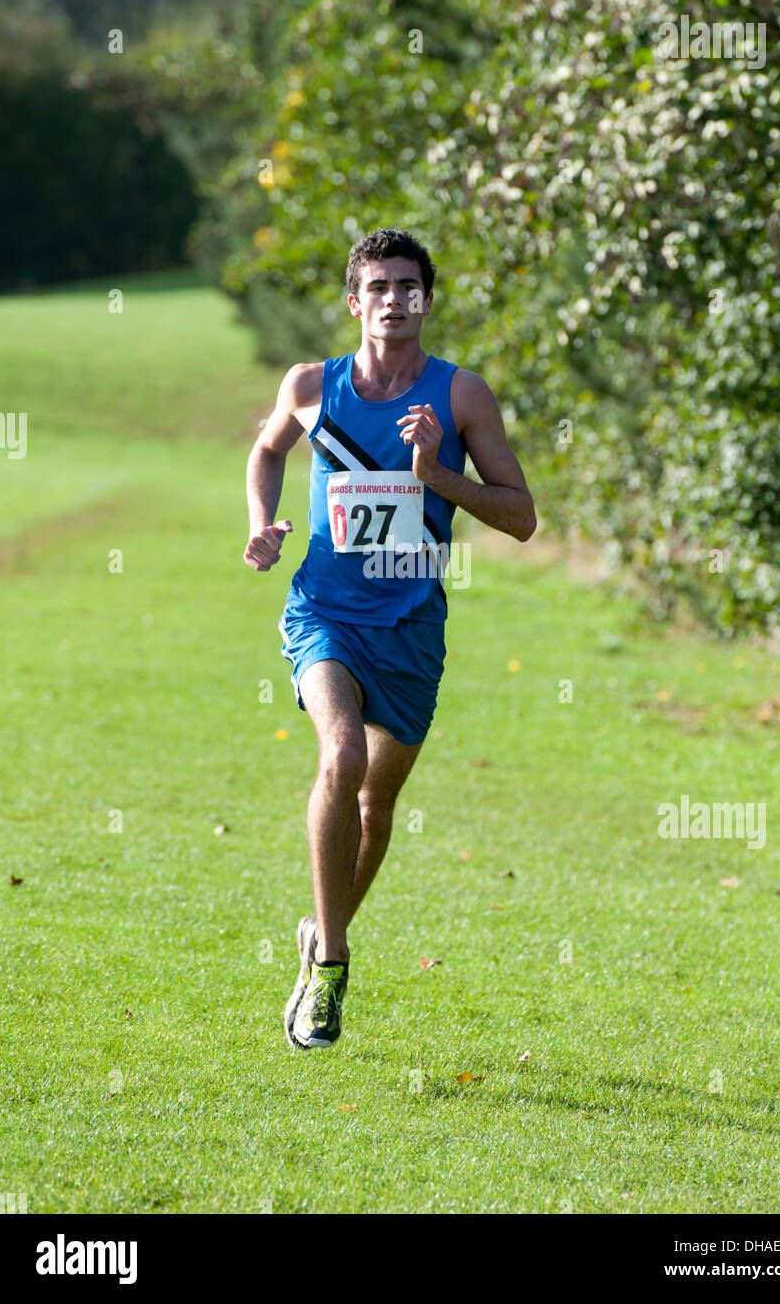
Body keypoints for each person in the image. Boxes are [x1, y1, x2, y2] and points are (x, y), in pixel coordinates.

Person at [244, 227, 536, 1049]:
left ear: (426, 301)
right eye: (378, 286)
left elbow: (521, 516)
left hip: (410, 629)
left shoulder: (461, 395)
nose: (393, 299)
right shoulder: (311, 385)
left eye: (408, 286)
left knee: (375, 806)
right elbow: (266, 451)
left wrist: (437, 474)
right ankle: (331, 967)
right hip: (325, 612)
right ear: (354, 302)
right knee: (341, 759)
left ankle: (320, 932)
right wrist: (262, 523)